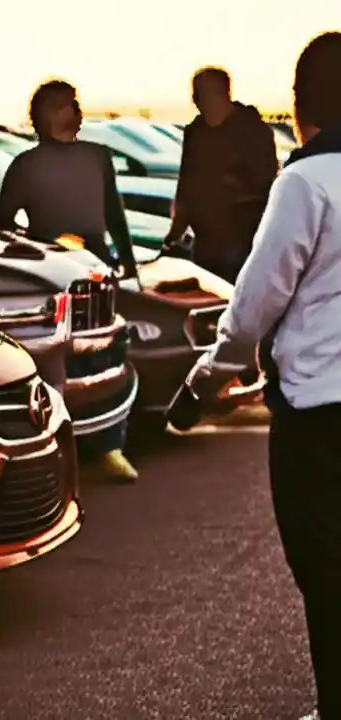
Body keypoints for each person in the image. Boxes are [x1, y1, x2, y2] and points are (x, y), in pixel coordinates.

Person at [186, 32, 341, 720]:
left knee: (325, 569)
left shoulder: (306, 182)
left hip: (319, 417)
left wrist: (209, 373)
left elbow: (252, 307)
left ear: (301, 105)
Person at [0, 79, 139, 483]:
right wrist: (34, 250)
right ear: (42, 116)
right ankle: (55, 451)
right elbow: (2, 225)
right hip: (51, 272)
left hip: (96, 265)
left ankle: (111, 445)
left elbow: (114, 213)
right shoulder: (26, 165)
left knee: (109, 356)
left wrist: (127, 261)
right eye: (62, 106)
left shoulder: (97, 156)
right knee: (59, 362)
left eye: (74, 104)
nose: (73, 112)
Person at [162, 67, 280, 283]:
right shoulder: (195, 133)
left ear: (223, 93)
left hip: (242, 241)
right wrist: (175, 231)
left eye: (204, 93)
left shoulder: (252, 130)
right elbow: (186, 185)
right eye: (196, 94)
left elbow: (267, 186)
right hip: (205, 241)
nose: (198, 100)